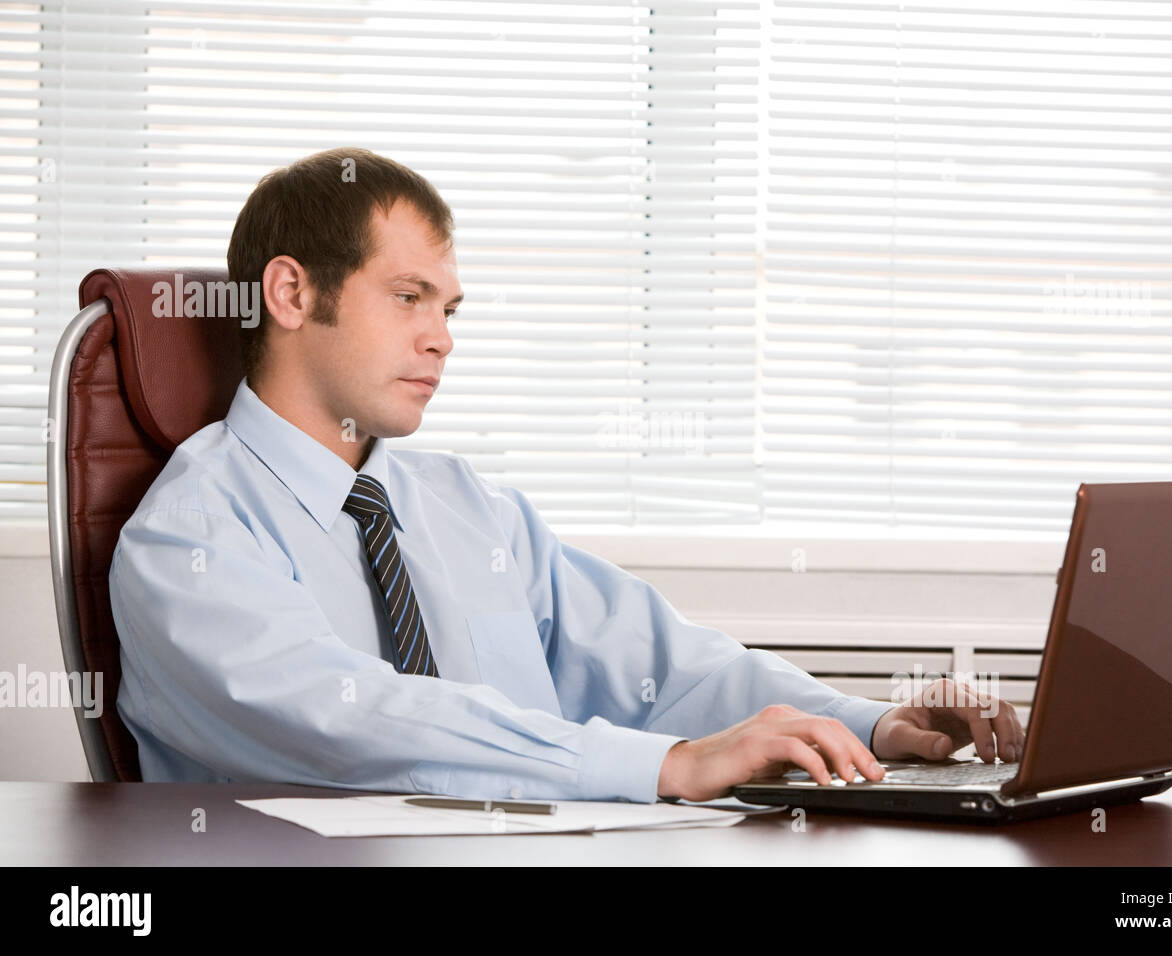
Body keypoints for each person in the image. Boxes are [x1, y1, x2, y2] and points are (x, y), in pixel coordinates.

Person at [108, 147, 1024, 804]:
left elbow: (659, 669)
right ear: (291, 293)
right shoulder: (189, 537)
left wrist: (864, 730)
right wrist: (666, 766)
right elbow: (355, 722)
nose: (443, 338)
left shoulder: (463, 505)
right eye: (407, 297)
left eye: (450, 307)